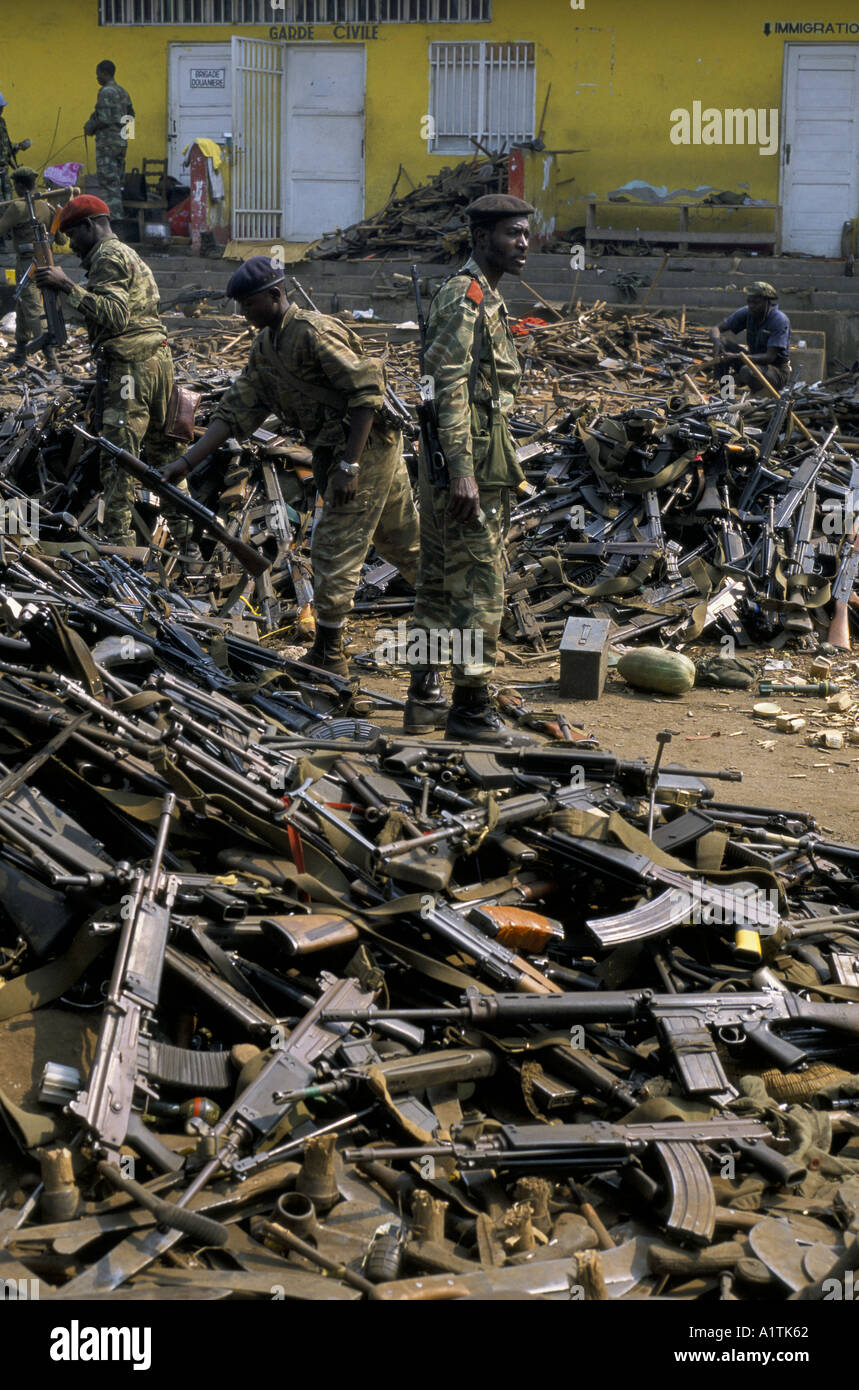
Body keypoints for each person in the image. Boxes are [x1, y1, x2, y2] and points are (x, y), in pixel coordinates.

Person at [160, 256, 421, 675]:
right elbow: (236, 410)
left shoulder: (315, 333)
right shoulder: (265, 347)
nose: (242, 314)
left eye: (247, 305)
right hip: (335, 451)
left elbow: (366, 393)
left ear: (275, 295)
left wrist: (349, 467)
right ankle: (455, 612)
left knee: (335, 546)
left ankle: (330, 653)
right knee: (399, 539)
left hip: (364, 448)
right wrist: (185, 463)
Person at [405, 193, 535, 742]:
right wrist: (461, 472)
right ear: (482, 239)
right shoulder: (466, 297)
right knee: (479, 583)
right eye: (512, 234)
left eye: (527, 233)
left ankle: (425, 696)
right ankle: (472, 708)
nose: (523, 243)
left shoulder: (485, 298)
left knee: (436, 581)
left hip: (467, 458)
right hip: (470, 463)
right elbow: (447, 389)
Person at [34, 194, 196, 557]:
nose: (72, 246)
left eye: (73, 235)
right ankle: (190, 548)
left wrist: (66, 286)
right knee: (167, 458)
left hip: (131, 368)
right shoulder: (128, 255)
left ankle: (120, 554)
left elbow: (114, 316)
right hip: (157, 362)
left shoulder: (107, 257)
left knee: (120, 460)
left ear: (90, 226)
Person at [0, 167, 62, 369]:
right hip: (46, 260)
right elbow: (61, 238)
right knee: (23, 307)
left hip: (28, 264)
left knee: (33, 310)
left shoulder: (18, 207)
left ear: (19, 185)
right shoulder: (46, 206)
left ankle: (52, 360)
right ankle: (19, 353)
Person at [710, 282, 791, 391]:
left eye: (756, 303)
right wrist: (716, 342)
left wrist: (738, 357)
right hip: (752, 361)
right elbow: (715, 329)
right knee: (722, 346)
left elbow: (769, 357)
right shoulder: (748, 312)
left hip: (775, 371)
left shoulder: (779, 320)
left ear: (767, 301)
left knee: (747, 371)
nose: (751, 306)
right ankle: (722, 388)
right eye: (749, 302)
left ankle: (755, 393)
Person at [84, 61, 134, 223]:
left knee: (107, 185)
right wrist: (126, 136)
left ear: (104, 73)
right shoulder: (123, 92)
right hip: (121, 143)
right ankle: (118, 221)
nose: (97, 77)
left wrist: (90, 127)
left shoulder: (106, 92)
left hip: (107, 145)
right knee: (117, 183)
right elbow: (131, 116)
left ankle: (114, 222)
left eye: (98, 73)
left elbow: (104, 119)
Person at [0, 92, 31, 205]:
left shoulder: (1, 122)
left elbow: (5, 146)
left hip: (4, 170)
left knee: (8, 201)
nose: (2, 109)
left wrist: (18, 146)